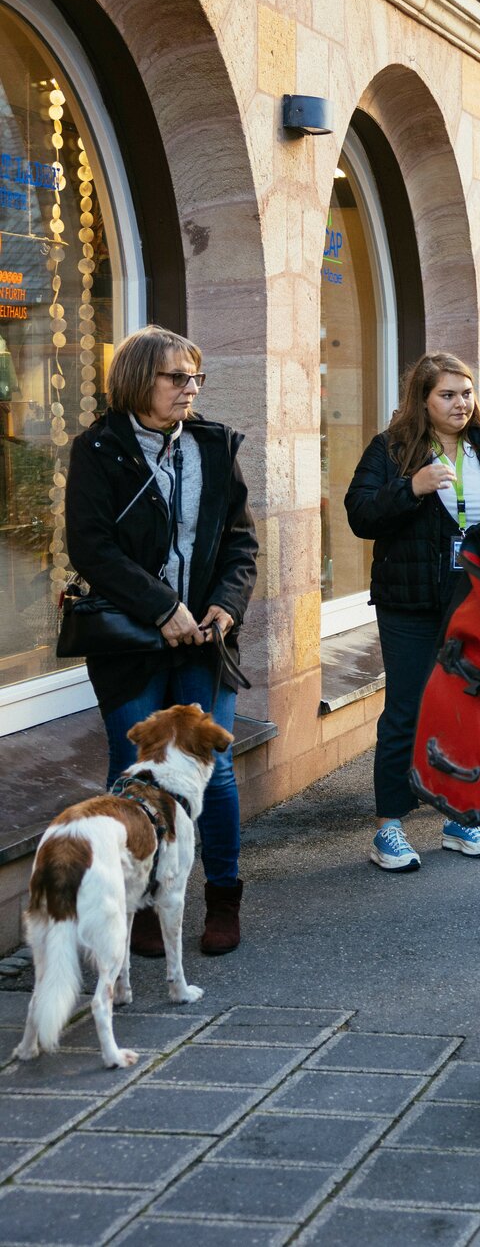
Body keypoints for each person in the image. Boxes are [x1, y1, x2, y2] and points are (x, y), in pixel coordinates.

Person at [66, 325, 258, 957]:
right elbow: (92, 545)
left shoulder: (213, 443)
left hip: (205, 638)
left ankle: (223, 897)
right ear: (138, 380)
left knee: (217, 771)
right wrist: (162, 607)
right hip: (130, 639)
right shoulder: (98, 448)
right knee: (134, 774)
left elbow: (240, 543)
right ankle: (142, 898)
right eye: (177, 377)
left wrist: (224, 609)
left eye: (196, 377)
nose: (190, 389)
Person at [345, 352, 480, 872]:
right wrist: (410, 489)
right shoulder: (391, 449)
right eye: (448, 395)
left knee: (466, 705)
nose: (461, 404)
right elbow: (361, 514)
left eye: (466, 393)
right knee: (407, 711)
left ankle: (458, 817)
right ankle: (389, 825)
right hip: (409, 602)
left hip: (474, 600)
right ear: (423, 399)